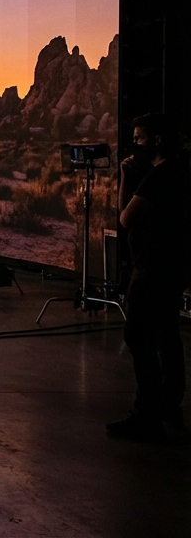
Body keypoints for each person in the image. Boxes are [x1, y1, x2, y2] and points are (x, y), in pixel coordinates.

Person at [108, 113, 190, 440]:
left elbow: (126, 217)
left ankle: (147, 414)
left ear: (156, 140)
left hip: (151, 271)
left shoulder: (160, 176)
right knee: (167, 337)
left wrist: (127, 177)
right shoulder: (177, 172)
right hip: (170, 269)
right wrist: (128, 177)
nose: (135, 144)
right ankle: (169, 405)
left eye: (140, 138)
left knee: (140, 338)